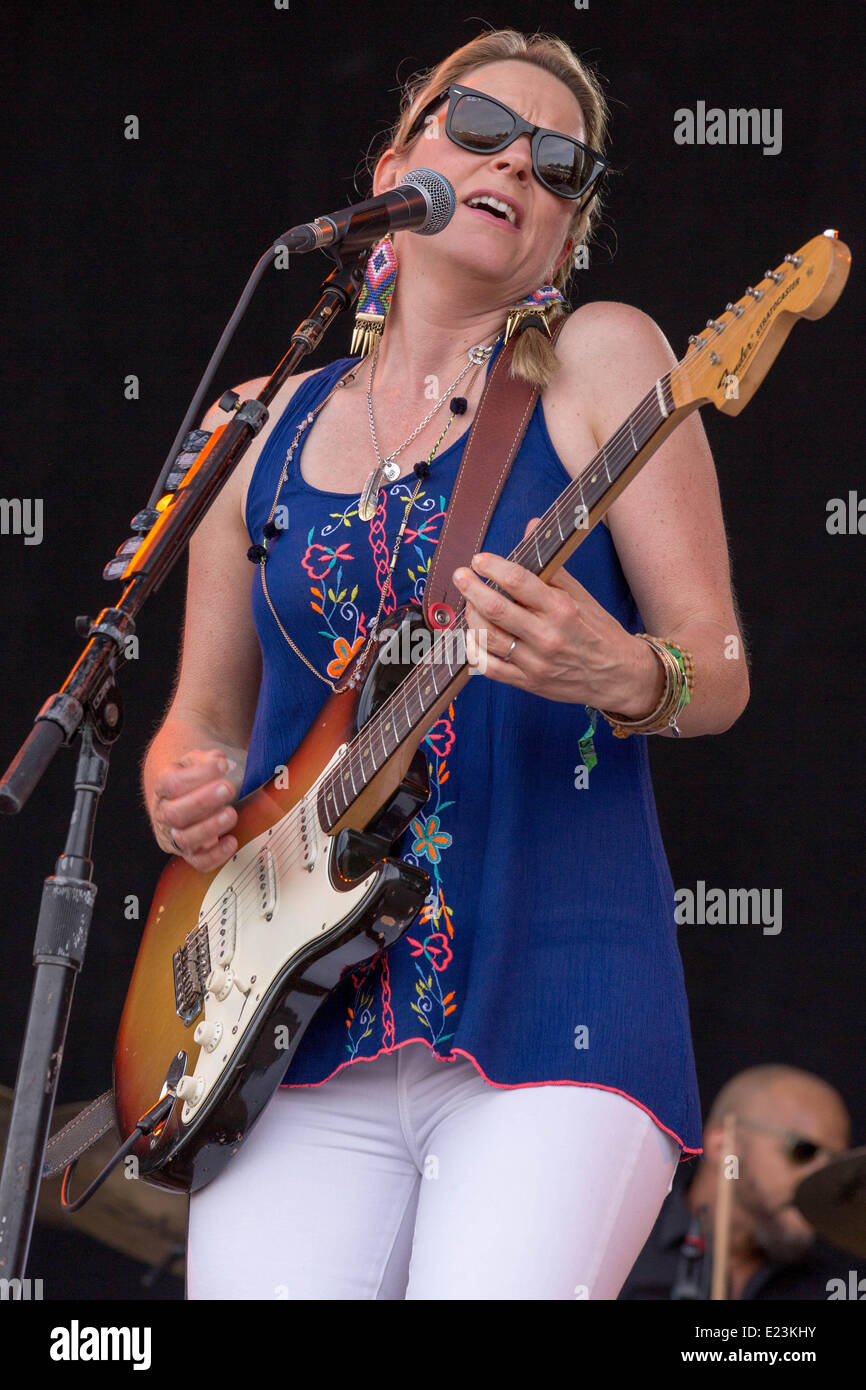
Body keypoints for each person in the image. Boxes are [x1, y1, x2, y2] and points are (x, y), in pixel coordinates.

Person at [142, 27, 750, 1299]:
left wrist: (628, 674)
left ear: (564, 230)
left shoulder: (604, 360)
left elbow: (717, 665)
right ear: (395, 165)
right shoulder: (255, 424)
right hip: (292, 1027)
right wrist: (182, 785)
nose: (515, 162)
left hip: (556, 996)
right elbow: (196, 725)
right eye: (475, 126)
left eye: (558, 160)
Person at [620, 1064, 863, 1299]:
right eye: (802, 1150)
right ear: (722, 1146)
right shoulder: (623, 1246)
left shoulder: (843, 1280)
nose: (819, 1177)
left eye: (833, 1163)